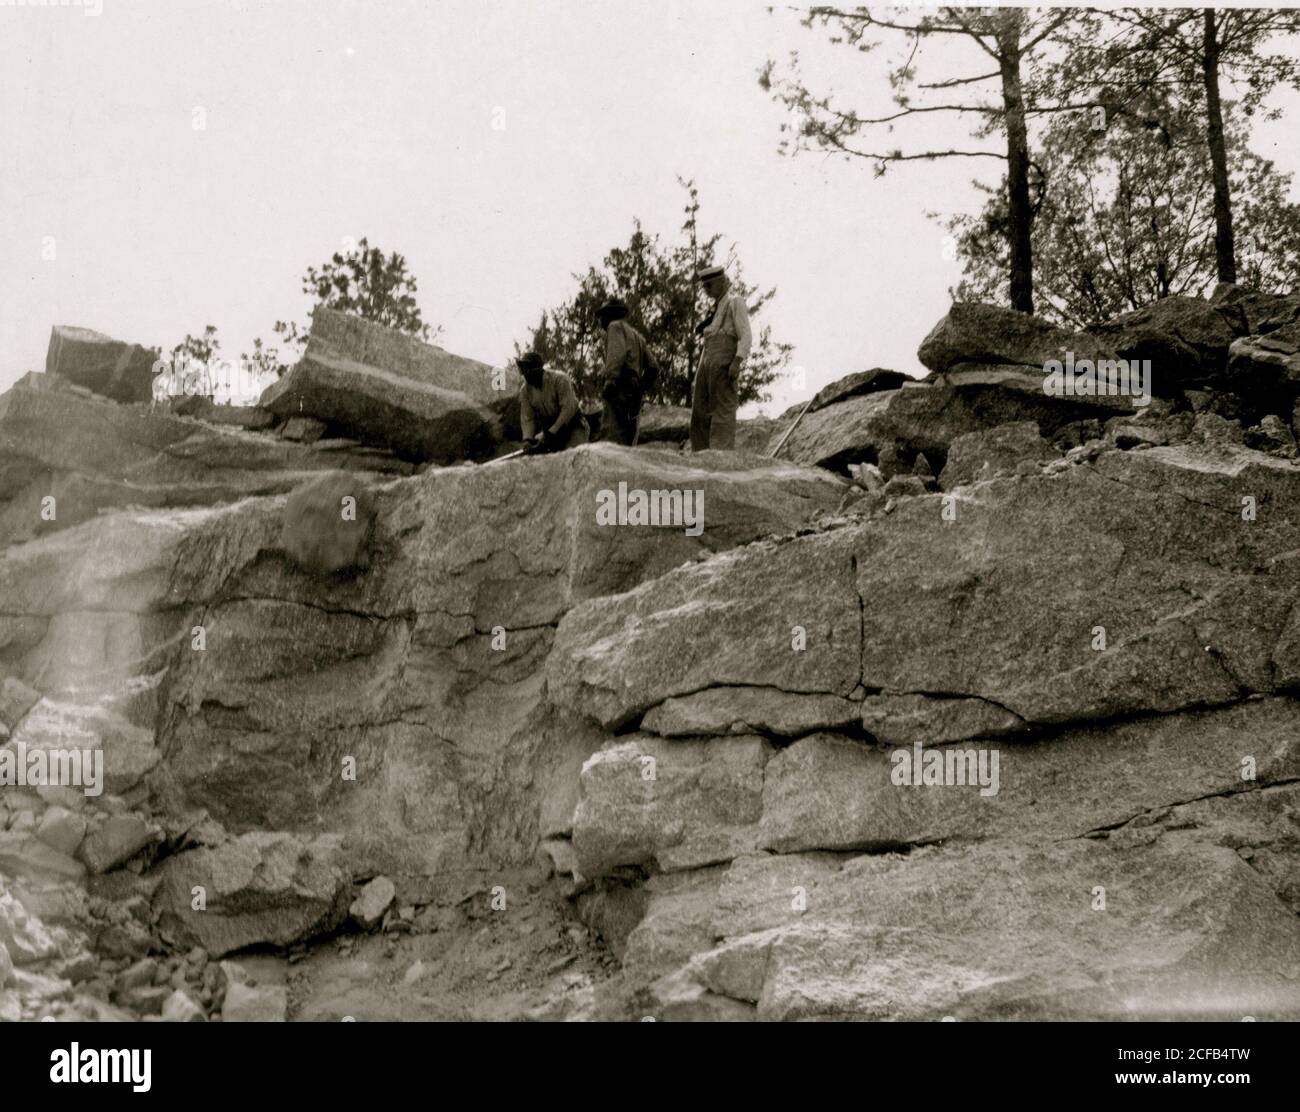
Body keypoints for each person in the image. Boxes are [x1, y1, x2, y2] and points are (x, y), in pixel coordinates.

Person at [690, 264, 752, 451]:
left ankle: (721, 455)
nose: (706, 290)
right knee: (699, 412)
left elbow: (746, 335)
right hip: (707, 360)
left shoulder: (735, 302)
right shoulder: (716, 310)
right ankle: (700, 455)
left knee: (722, 412)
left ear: (722, 282)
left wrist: (737, 361)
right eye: (704, 287)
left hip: (724, 360)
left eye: (709, 285)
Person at [595, 297, 654, 446]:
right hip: (632, 394)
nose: (600, 320)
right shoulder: (637, 336)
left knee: (611, 436)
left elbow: (617, 355)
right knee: (628, 436)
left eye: (602, 315)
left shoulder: (614, 327)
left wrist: (610, 380)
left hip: (618, 389)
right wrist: (640, 388)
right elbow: (653, 367)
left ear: (609, 315)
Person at [517, 352, 588, 452]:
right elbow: (528, 418)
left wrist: (551, 433)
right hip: (549, 431)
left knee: (573, 455)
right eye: (524, 371)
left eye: (529, 370)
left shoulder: (560, 379)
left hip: (572, 425)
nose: (526, 375)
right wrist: (527, 439)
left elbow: (568, 409)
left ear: (539, 369)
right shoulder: (525, 391)